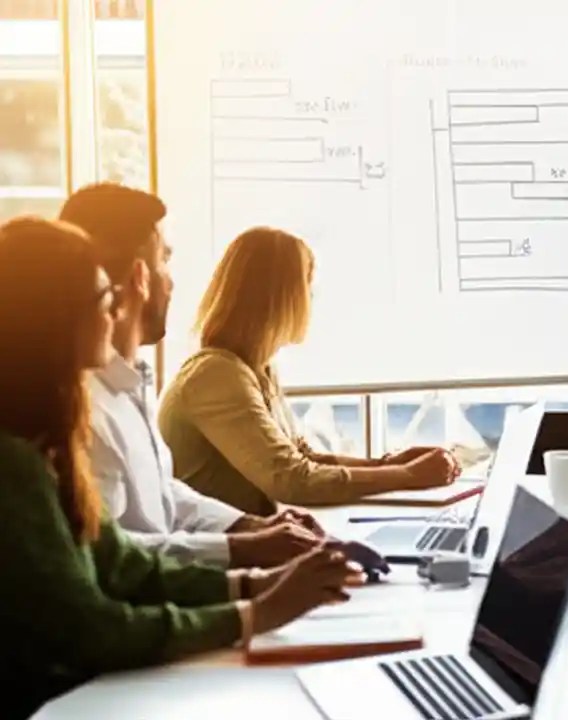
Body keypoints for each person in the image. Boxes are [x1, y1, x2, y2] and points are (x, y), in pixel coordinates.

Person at [0, 217, 354, 717]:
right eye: (104, 299)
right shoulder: (14, 466)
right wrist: (255, 613)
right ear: (57, 320)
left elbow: (125, 566)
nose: (118, 308)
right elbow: (93, 630)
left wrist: (253, 584)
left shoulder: (45, 445)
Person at [60, 183, 323, 568]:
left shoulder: (129, 386)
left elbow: (164, 496)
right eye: (163, 260)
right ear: (140, 277)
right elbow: (108, 554)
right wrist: (243, 556)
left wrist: (248, 527)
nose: (171, 280)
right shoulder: (81, 409)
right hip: (159, 609)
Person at [158, 227, 461, 516]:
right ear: (279, 296)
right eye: (306, 284)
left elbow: (301, 457)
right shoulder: (215, 375)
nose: (311, 297)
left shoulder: (255, 367)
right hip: (223, 553)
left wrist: (385, 463)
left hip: (256, 543)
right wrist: (407, 474)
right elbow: (292, 480)